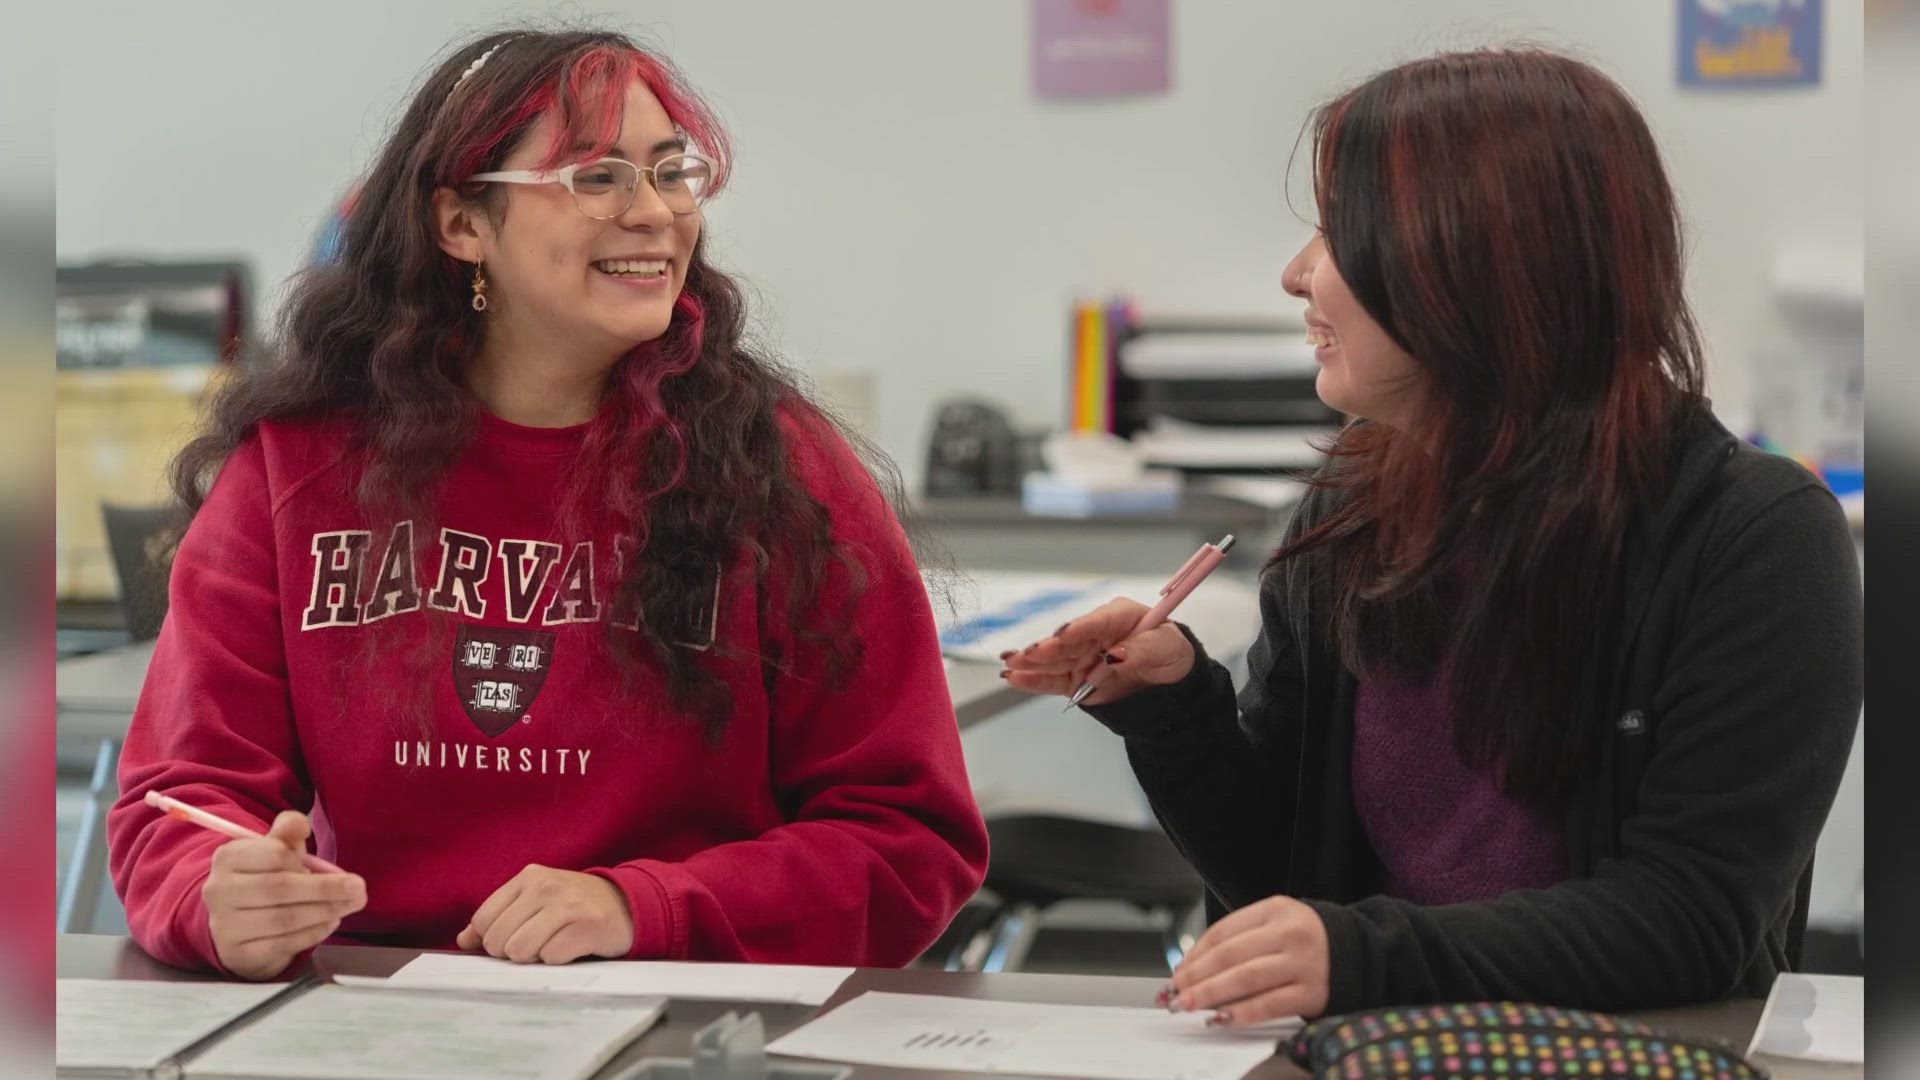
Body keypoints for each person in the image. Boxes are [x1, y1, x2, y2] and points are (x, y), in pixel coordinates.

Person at [108, 27, 988, 980]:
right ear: (461, 224)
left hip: (685, 1012)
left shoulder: (783, 473)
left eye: (671, 173)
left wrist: (639, 905)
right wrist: (218, 894)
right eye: (596, 177)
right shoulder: (298, 465)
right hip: (373, 1016)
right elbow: (180, 798)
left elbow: (909, 841)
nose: (653, 213)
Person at [1005, 48, 1861, 1025]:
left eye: (1338, 233)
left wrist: (1366, 957)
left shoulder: (1752, 538)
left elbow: (1689, 916)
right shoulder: (1350, 509)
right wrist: (1171, 704)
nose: (1296, 275)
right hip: (1372, 1045)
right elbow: (1275, 874)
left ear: (1474, 260)